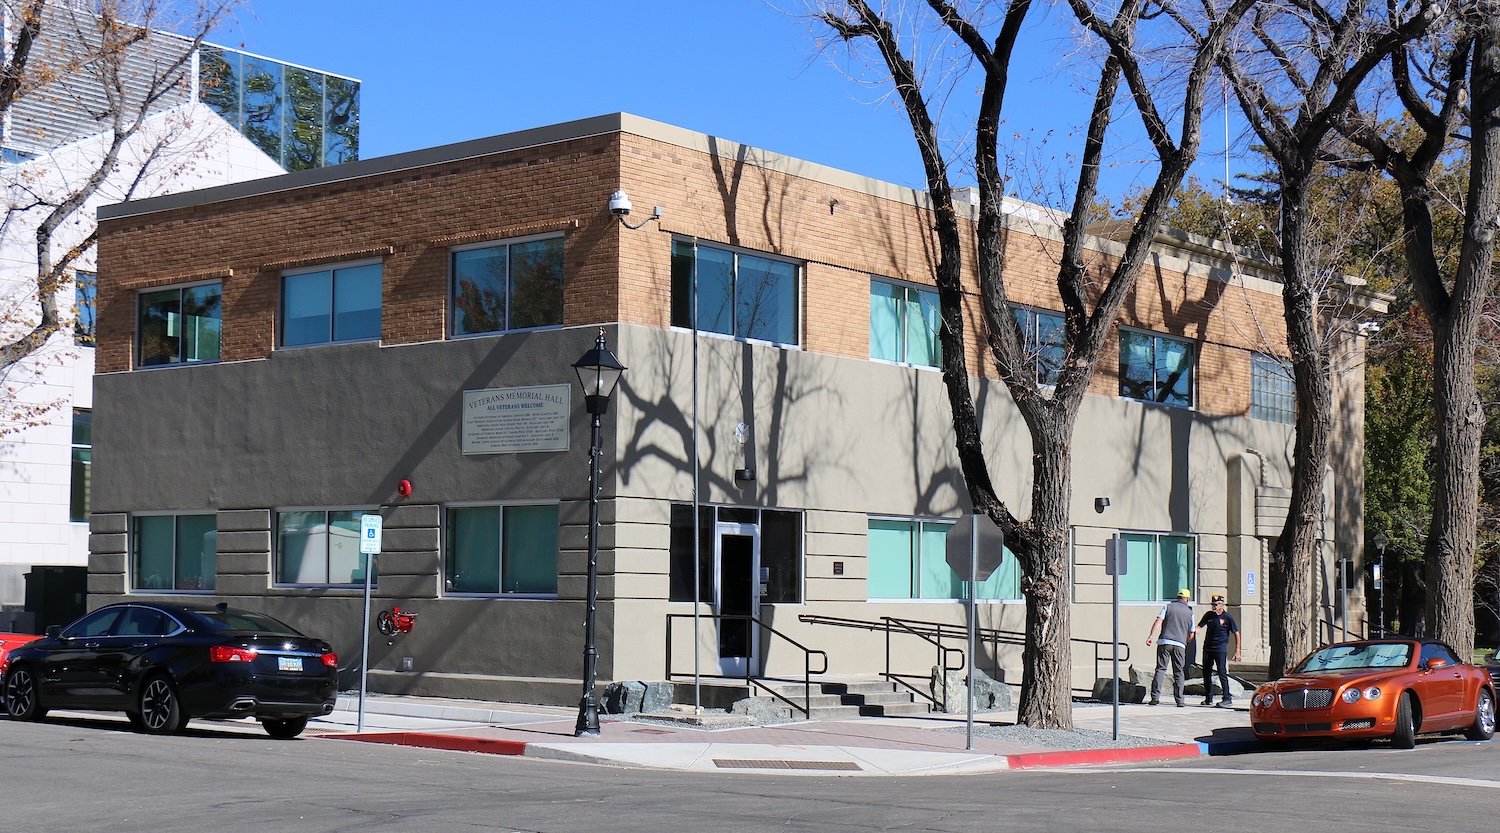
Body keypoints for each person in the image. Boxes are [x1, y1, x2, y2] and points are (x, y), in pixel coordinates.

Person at [1145, 589, 1195, 707]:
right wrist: (1188, 638)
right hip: (1180, 644)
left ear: (1178, 597)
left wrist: (1151, 636)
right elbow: (1191, 633)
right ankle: (1180, 700)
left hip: (1165, 641)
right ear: (1187, 599)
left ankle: (1155, 697)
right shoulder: (1189, 613)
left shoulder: (1168, 607)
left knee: (1161, 669)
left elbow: (1158, 621)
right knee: (1179, 672)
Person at [1196, 594, 1241, 707]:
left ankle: (1227, 698)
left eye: (1216, 605)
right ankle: (1208, 698)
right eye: (1213, 605)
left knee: (1222, 672)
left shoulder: (1227, 617)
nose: (1214, 607)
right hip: (1208, 648)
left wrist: (1238, 650)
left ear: (1222, 605)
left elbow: (1236, 633)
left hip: (1220, 649)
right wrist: (1193, 632)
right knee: (1206, 672)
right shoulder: (1209, 615)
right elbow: (1199, 626)